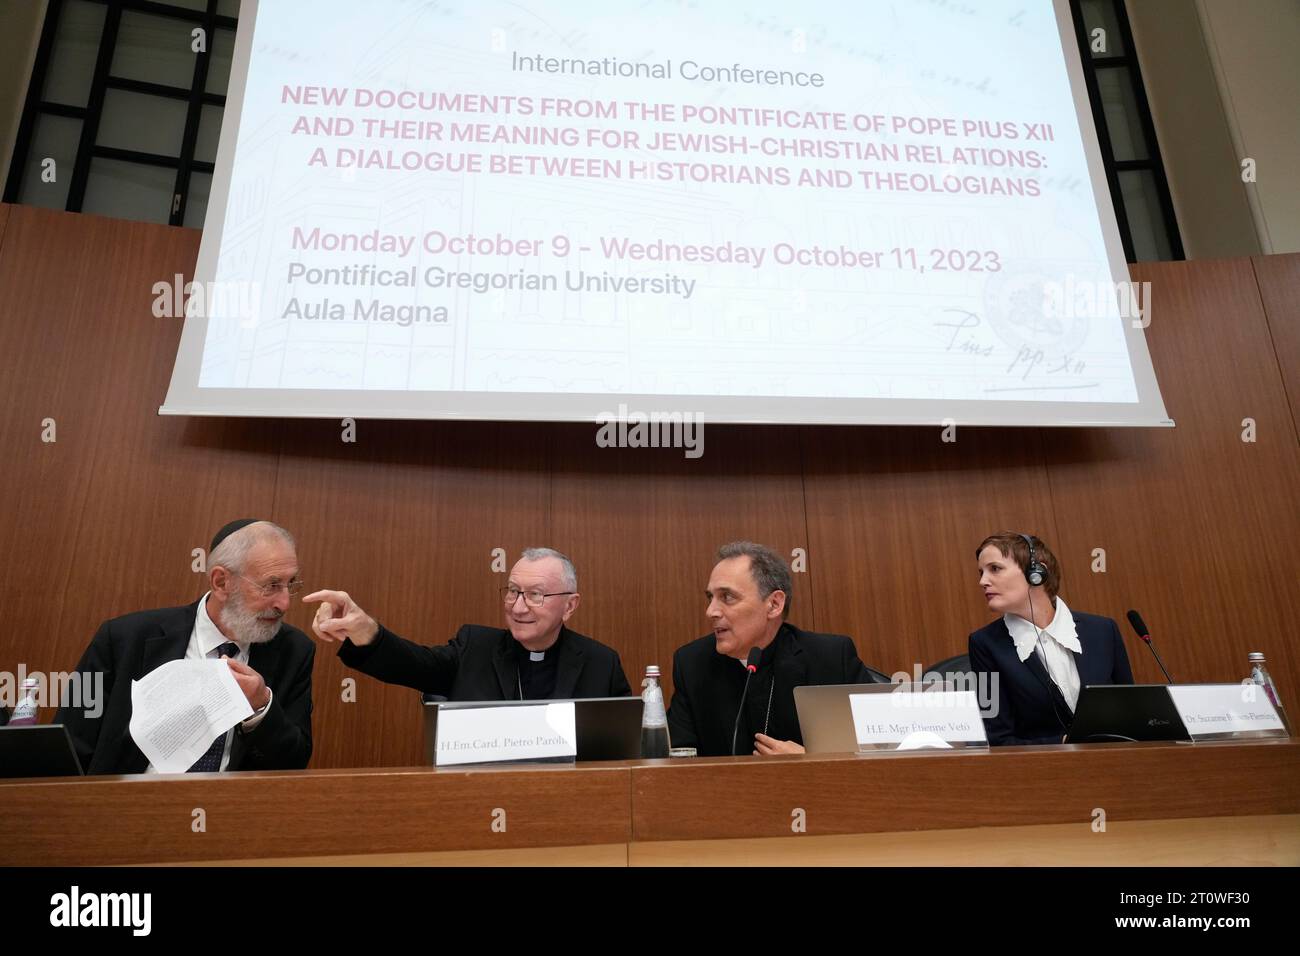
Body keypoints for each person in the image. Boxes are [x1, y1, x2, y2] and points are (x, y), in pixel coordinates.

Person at [56, 519, 314, 773]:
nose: (284, 603)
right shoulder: (123, 638)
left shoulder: (295, 651)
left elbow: (293, 763)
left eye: (289, 584)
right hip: (125, 806)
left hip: (228, 810)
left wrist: (262, 707)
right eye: (271, 585)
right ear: (221, 582)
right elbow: (69, 746)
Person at [305, 547, 631, 700]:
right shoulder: (475, 647)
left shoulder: (602, 663)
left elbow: (626, 751)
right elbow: (413, 664)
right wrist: (366, 631)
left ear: (570, 605)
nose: (518, 607)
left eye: (534, 595)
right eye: (513, 592)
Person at [667, 541, 880, 756]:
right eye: (710, 598)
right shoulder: (693, 663)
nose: (711, 611)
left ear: (774, 604)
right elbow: (678, 759)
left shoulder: (831, 658)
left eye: (727, 597)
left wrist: (810, 761)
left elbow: (884, 750)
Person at [968, 532, 1134, 746]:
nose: (983, 581)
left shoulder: (1103, 630)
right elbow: (999, 740)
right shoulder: (985, 644)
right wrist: (1064, 742)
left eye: (995, 569)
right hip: (1041, 772)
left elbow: (1131, 714)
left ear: (1037, 572)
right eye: (981, 572)